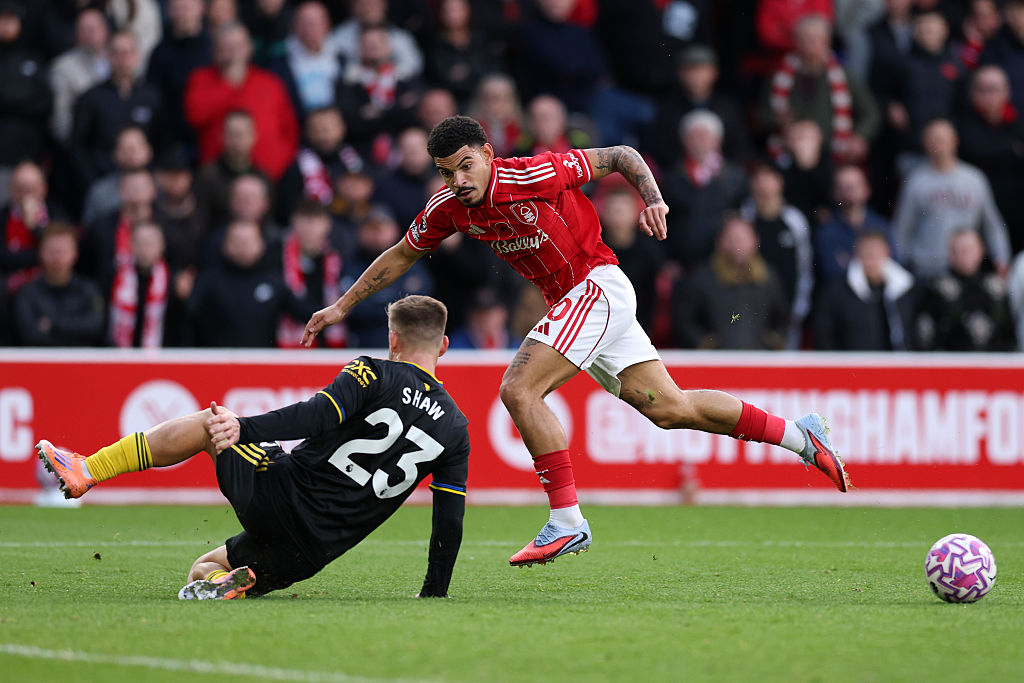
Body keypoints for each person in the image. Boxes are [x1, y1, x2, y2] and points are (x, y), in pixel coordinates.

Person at [302, 115, 850, 569]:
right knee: (669, 408)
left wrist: (652, 199)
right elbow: (401, 253)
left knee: (518, 389)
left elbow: (622, 155)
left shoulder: (532, 174)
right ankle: (802, 437)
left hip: (597, 286)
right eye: (448, 172)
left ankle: (566, 521)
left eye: (467, 165)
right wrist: (340, 307)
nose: (459, 180)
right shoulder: (449, 209)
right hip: (579, 303)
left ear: (488, 153)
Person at [38, 294, 470, 600]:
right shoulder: (456, 428)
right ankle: (232, 587)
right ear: (444, 347)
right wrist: (434, 592)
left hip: (281, 498)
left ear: (393, 340)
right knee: (205, 571)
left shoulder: (373, 372)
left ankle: (88, 469)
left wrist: (241, 427)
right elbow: (448, 520)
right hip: (313, 552)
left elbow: (316, 416)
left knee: (211, 424)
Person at [892, 119, 1011, 280]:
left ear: (955, 141)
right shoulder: (915, 182)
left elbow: (992, 224)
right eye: (932, 139)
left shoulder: (974, 179)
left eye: (942, 139)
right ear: (924, 144)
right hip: (926, 270)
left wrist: (1001, 258)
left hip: (966, 269)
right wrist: (900, 266)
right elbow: (902, 229)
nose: (938, 144)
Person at [184, 21, 298, 180]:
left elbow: (289, 128)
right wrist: (229, 82)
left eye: (238, 45)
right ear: (215, 51)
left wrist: (282, 160)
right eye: (226, 47)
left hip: (271, 176)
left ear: (249, 48)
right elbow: (196, 117)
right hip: (221, 179)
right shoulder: (201, 79)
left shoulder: (270, 82)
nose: (233, 53)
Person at [672, 214, 791, 351]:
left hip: (757, 359)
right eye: (732, 239)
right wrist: (705, 344)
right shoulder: (702, 278)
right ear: (719, 242)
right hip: (715, 362)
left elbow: (783, 318)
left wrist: (771, 343)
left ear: (755, 241)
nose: (737, 244)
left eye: (742, 239)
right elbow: (684, 320)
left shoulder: (767, 277)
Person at [814, 230, 917, 351]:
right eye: (866, 250)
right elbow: (824, 332)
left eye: (876, 250)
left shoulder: (906, 288)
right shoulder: (836, 290)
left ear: (887, 252)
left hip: (897, 364)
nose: (871, 254)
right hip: (852, 365)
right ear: (857, 253)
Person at [914, 228, 1015, 351]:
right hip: (950, 365)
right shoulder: (935, 288)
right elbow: (925, 336)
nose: (965, 254)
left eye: (970, 249)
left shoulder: (997, 288)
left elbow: (1010, 334)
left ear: (981, 251)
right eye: (959, 250)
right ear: (950, 254)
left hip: (994, 365)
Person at [13, 221, 105, 347]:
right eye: (52, 251)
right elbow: (29, 335)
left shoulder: (89, 290)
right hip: (40, 362)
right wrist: (73, 331)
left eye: (62, 251)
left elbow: (94, 326)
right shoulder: (27, 293)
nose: (57, 258)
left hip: (81, 362)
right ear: (40, 253)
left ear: (75, 253)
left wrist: (52, 324)